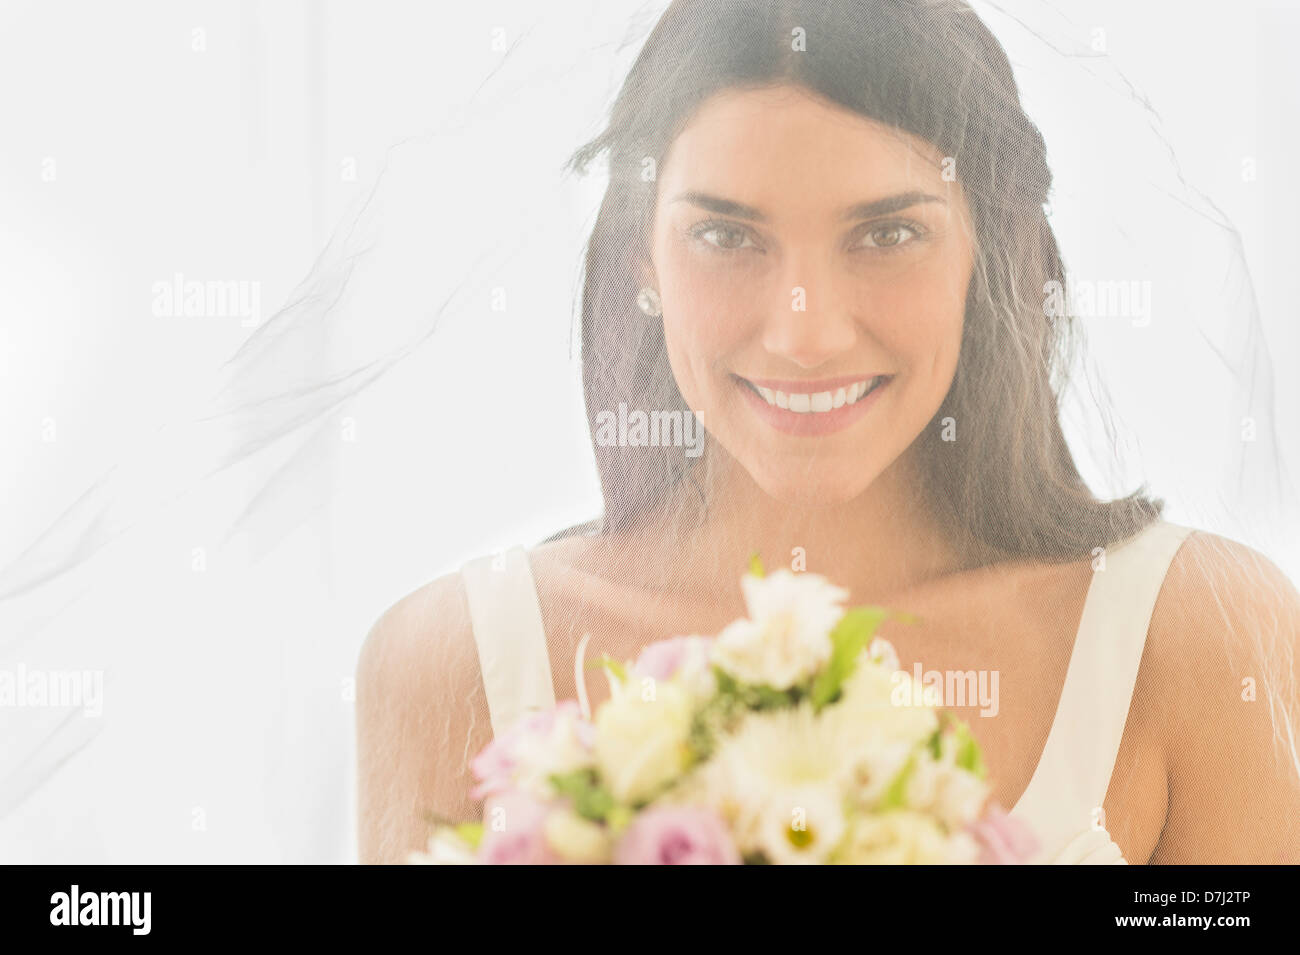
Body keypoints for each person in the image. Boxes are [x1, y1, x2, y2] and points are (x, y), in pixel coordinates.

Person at [354, 0, 1300, 864]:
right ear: (645, 255)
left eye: (886, 234)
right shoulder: (453, 665)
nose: (805, 332)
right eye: (726, 235)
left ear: (990, 248)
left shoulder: (1197, 637)